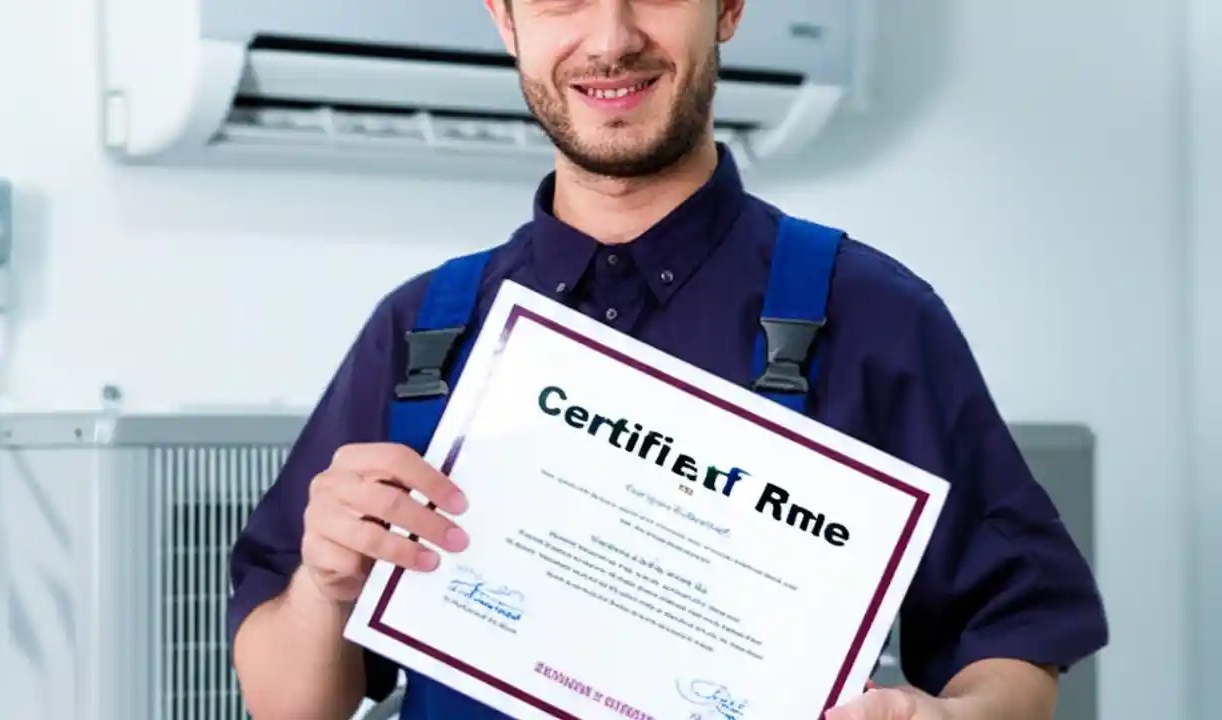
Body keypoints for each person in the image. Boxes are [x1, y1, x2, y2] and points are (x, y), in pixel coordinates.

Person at [227, 1, 1109, 718]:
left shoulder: (874, 316)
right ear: (505, 20)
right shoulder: (425, 329)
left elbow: (1017, 647)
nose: (611, 39)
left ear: (727, 9)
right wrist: (323, 588)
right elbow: (287, 705)